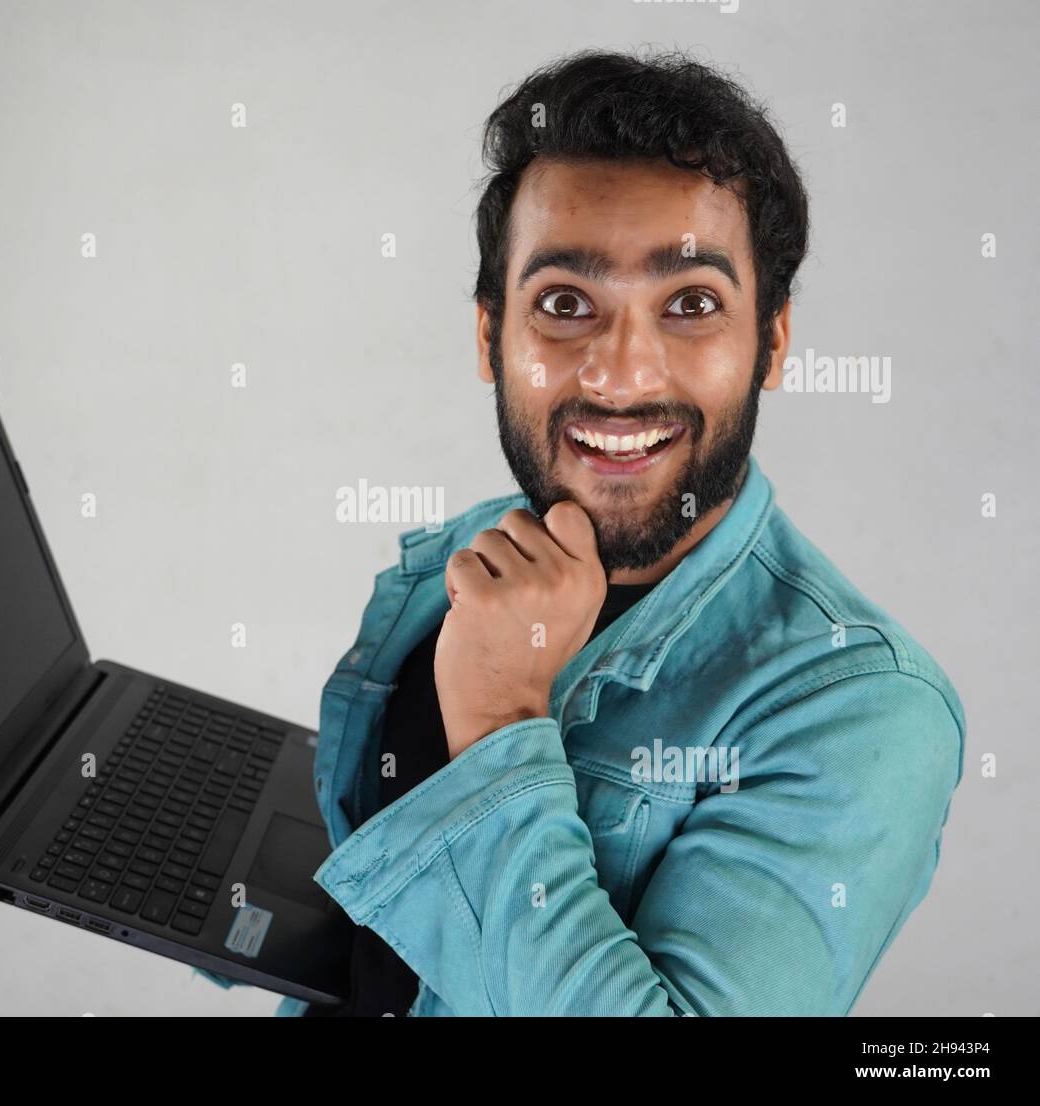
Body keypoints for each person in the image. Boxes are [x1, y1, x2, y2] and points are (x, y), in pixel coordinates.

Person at [202, 48, 964, 1017]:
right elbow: (390, 935)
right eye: (566, 302)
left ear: (769, 343)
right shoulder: (469, 563)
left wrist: (500, 721)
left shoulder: (866, 709)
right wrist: (207, 874)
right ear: (491, 337)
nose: (619, 372)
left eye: (690, 304)